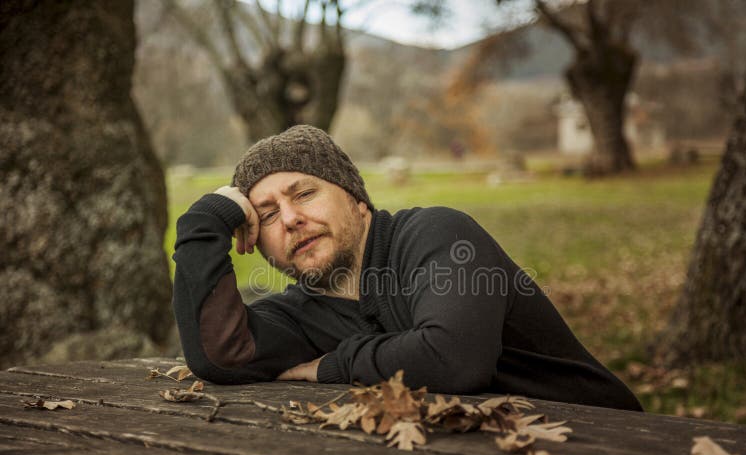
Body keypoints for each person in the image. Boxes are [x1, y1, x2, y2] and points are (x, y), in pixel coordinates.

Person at [173, 125, 642, 411]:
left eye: (304, 193)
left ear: (358, 201)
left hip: (613, 447)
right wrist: (205, 224)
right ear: (259, 244)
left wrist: (336, 365)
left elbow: (454, 360)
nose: (291, 218)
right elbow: (221, 356)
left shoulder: (439, 235)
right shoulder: (299, 316)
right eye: (269, 214)